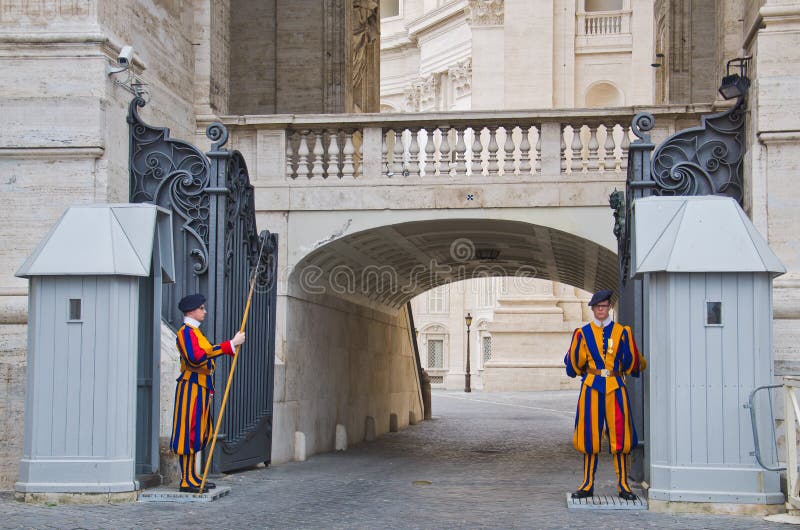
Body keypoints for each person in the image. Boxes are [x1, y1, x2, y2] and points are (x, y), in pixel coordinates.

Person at [563, 289, 647, 501]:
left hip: (616, 386)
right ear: (593, 309)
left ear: (609, 307)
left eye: (604, 306)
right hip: (592, 387)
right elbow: (573, 364)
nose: (601, 310)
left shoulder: (622, 332)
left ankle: (623, 485)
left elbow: (635, 363)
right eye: (597, 307)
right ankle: (587, 484)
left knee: (621, 436)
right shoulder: (582, 333)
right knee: (589, 436)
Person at [170, 293, 245, 493]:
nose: (204, 311)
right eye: (201, 308)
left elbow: (206, 355)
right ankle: (186, 479)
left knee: (198, 432)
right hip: (191, 388)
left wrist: (228, 346)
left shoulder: (196, 333)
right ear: (192, 311)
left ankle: (193, 475)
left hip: (202, 387)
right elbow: (196, 358)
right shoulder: (185, 333)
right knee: (188, 431)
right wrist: (229, 345)